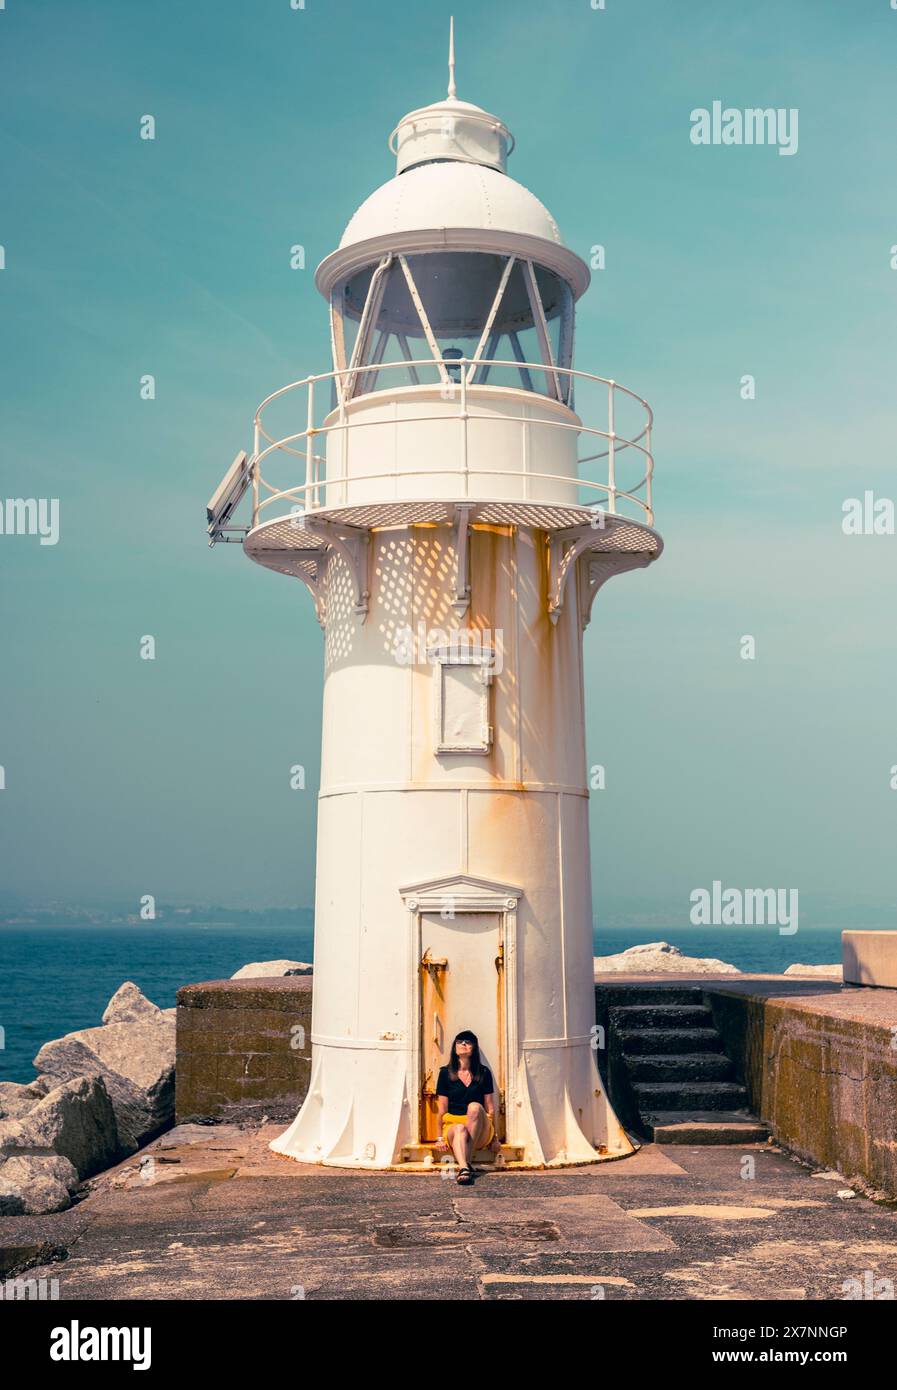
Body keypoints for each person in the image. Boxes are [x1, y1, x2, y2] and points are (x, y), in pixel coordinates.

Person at [434, 1030, 501, 1184]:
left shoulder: (483, 1073)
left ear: (474, 1048)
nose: (463, 1044)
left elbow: (490, 1108)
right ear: (454, 1048)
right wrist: (439, 1138)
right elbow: (442, 1110)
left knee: (475, 1107)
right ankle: (465, 1167)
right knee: (459, 1129)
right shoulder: (445, 1073)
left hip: (481, 1129)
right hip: (453, 1127)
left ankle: (464, 1162)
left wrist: (495, 1138)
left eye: (468, 1041)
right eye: (459, 1041)